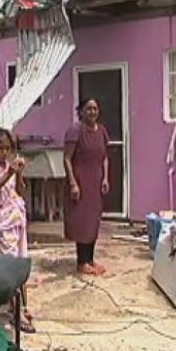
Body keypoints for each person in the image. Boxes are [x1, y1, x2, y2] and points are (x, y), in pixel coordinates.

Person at [0, 127, 34, 332]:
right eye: (0, 148)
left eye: (7, 149)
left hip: (17, 218)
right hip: (3, 221)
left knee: (21, 263)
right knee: (11, 266)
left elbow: (19, 191)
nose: (4, 152)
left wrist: (18, 174)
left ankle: (20, 307)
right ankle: (16, 312)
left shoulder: (8, 166)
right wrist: (9, 172)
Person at [63, 98, 110, 275]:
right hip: (80, 181)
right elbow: (67, 158)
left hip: (96, 182)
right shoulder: (75, 130)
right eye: (88, 108)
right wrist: (72, 183)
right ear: (81, 111)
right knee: (82, 221)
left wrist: (105, 178)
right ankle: (81, 262)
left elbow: (104, 157)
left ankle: (90, 259)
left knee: (93, 221)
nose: (92, 112)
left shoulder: (102, 131)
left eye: (95, 108)